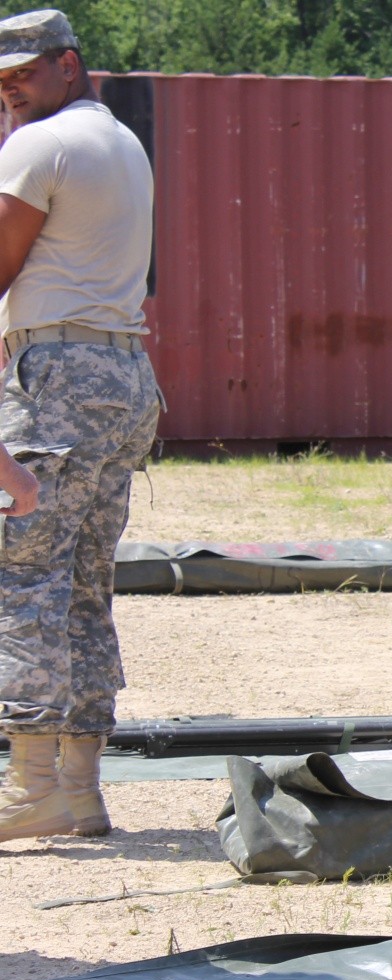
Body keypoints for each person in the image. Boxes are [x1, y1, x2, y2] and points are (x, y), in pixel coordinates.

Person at [0, 10, 161, 843]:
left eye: (23, 73)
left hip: (55, 377)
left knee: (24, 583)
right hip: (122, 373)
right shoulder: (119, 140)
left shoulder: (38, 146)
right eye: (0, 81)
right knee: (82, 590)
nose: (12, 89)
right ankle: (79, 788)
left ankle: (32, 791)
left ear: (69, 64)